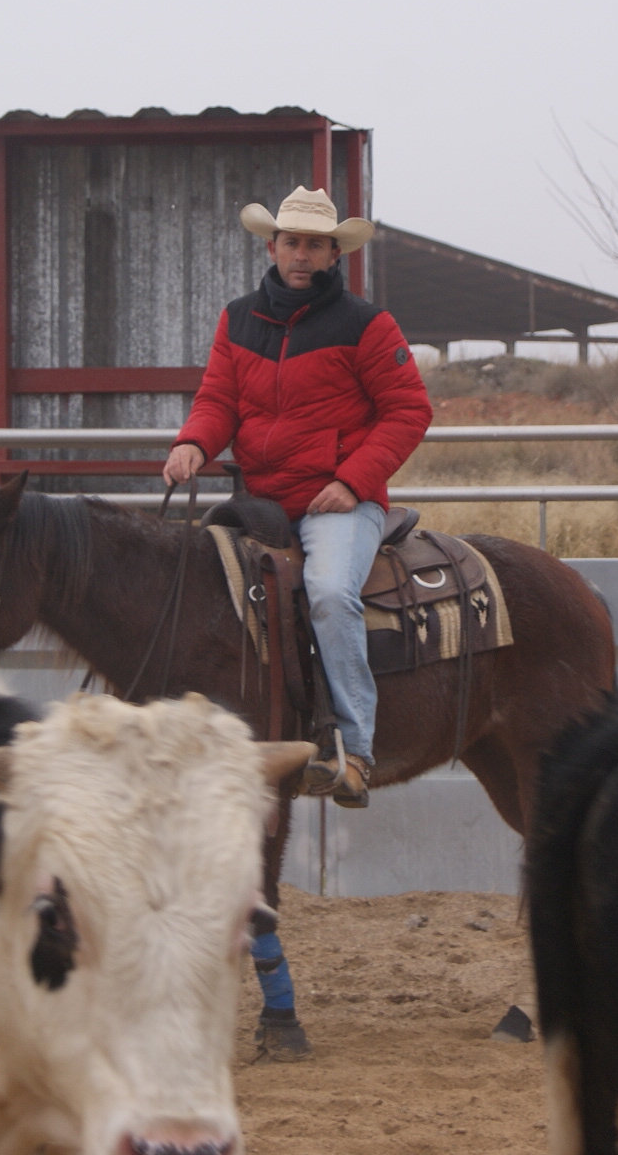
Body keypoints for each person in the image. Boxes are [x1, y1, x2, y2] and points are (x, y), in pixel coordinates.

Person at [163, 185, 432, 809]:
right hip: (260, 498)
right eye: (292, 242)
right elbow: (219, 401)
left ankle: (355, 750)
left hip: (337, 501)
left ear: (334, 254)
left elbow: (408, 410)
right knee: (189, 584)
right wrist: (194, 444)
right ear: (272, 245)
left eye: (315, 244)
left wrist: (351, 482)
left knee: (334, 595)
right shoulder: (238, 318)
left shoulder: (367, 325)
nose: (302, 255)